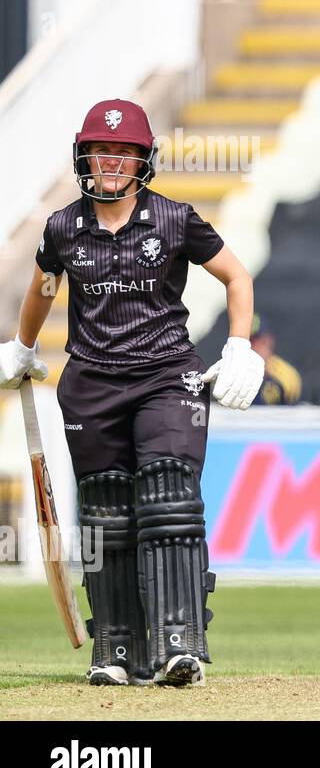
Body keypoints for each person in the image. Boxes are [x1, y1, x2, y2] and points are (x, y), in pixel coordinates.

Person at [0, 99, 265, 687]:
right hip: (90, 383)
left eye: (124, 152)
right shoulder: (63, 228)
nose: (112, 162)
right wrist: (22, 346)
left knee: (168, 497)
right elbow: (44, 287)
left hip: (167, 376)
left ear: (144, 159)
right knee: (105, 517)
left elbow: (236, 276)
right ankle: (117, 650)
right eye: (102, 151)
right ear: (85, 157)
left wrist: (239, 345)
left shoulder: (175, 219)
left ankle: (179, 643)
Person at [249, 315, 303, 406]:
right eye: (249, 340)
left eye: (258, 340)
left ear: (269, 341)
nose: (253, 345)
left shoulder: (285, 377)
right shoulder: (231, 372)